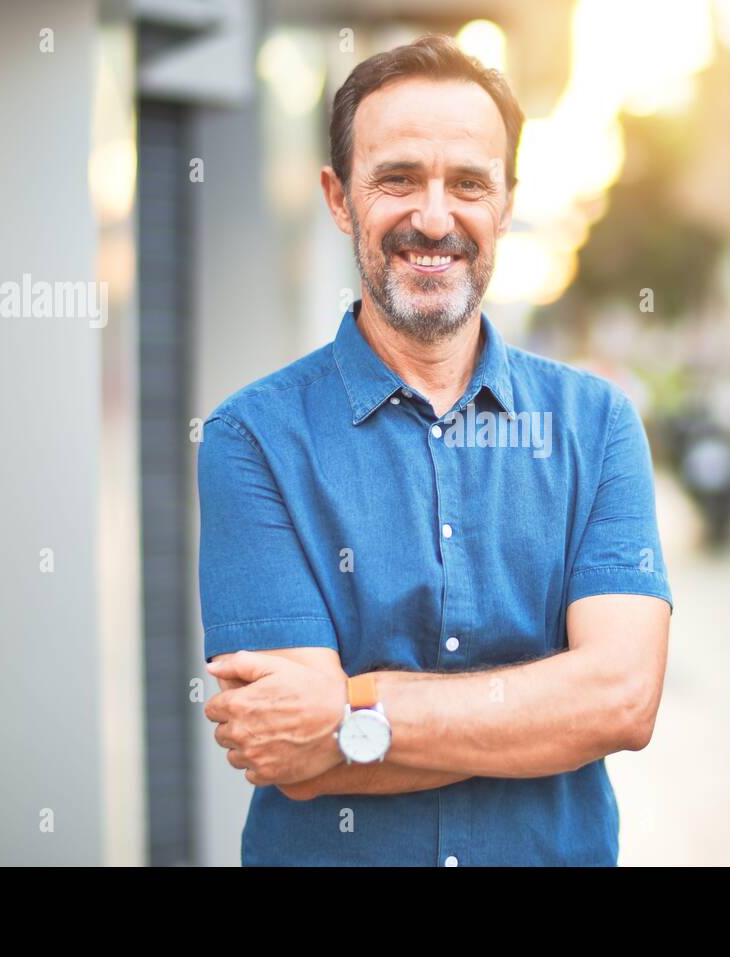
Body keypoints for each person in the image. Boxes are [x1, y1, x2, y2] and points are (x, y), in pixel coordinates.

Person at [198, 33, 672, 866]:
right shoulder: (249, 439)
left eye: (467, 184)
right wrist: (535, 713)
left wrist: (351, 709)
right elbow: (292, 758)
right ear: (339, 197)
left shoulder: (597, 425)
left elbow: (621, 700)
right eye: (397, 178)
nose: (433, 216)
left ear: (507, 201)